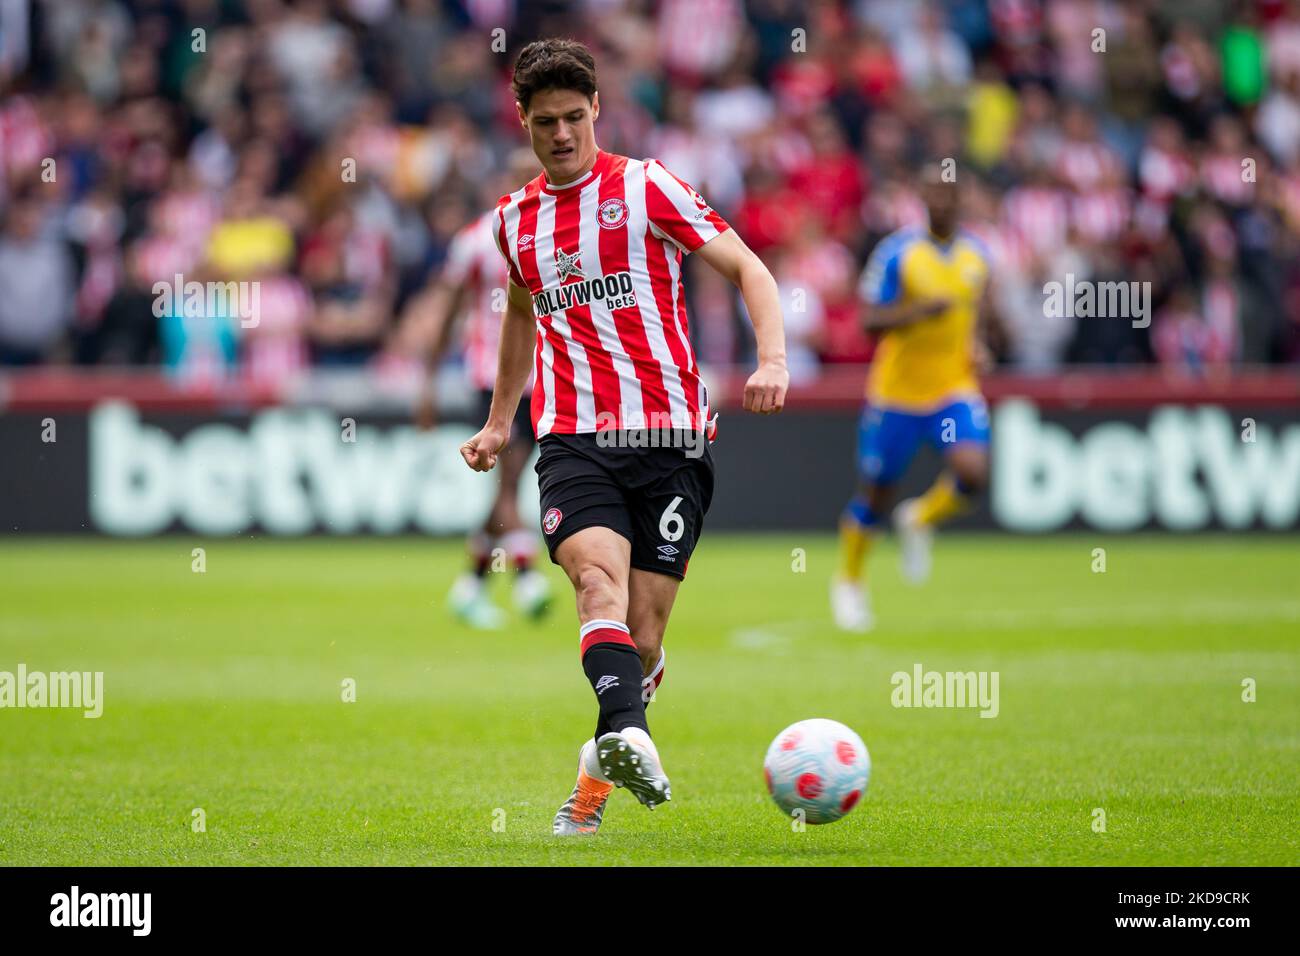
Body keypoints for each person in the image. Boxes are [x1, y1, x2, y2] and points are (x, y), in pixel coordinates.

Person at [459, 38, 788, 835]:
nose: (563, 134)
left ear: (597, 109)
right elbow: (518, 312)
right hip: (572, 439)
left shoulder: (646, 188)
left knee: (639, 642)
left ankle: (601, 759)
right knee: (593, 587)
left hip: (672, 439)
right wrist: (503, 419)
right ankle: (631, 733)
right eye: (546, 122)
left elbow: (748, 266)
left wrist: (772, 356)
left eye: (575, 117)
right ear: (524, 122)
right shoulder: (514, 221)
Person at [833, 164, 993, 632]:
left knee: (973, 472)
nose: (941, 202)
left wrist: (979, 345)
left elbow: (977, 313)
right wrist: (918, 311)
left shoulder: (977, 255)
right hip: (897, 394)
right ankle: (850, 581)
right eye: (933, 194)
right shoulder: (898, 253)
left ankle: (921, 518)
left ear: (962, 199)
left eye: (950, 194)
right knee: (877, 493)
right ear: (921, 198)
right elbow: (867, 320)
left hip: (952, 388)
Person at [411, 150, 552, 629]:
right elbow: (448, 313)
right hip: (492, 378)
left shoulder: (557, 230)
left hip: (547, 378)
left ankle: (469, 586)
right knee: (509, 476)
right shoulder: (477, 240)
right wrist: (427, 384)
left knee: (507, 485)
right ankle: (528, 577)